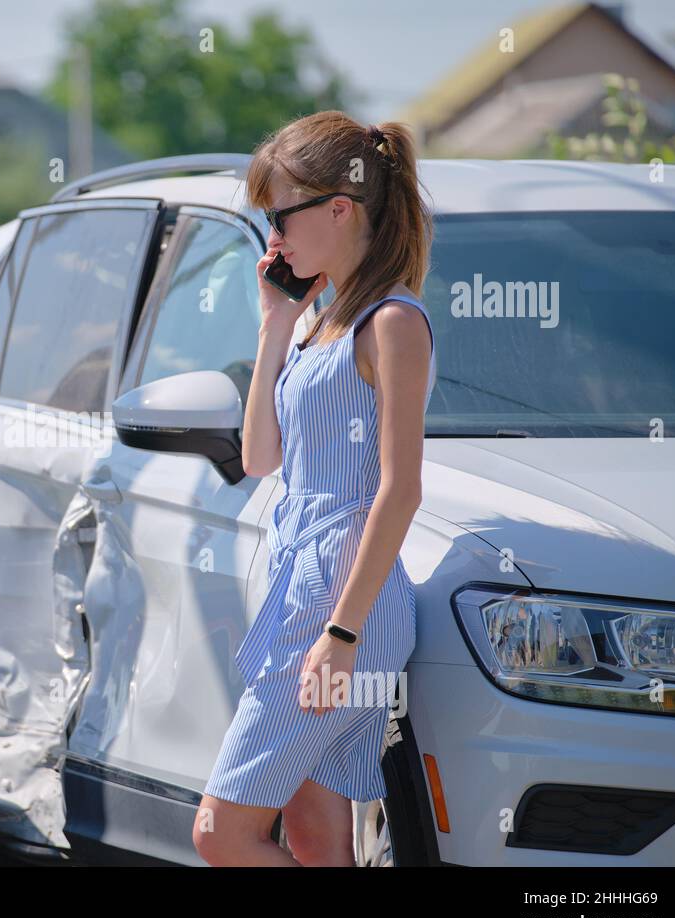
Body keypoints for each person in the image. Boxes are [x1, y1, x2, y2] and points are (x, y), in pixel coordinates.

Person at [192, 111, 436, 866]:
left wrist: (342, 635)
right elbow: (261, 458)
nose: (273, 237)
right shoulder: (320, 321)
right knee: (315, 840)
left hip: (341, 609)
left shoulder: (391, 322)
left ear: (340, 208)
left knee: (221, 835)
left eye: (281, 214)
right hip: (302, 589)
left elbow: (399, 493)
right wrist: (274, 323)